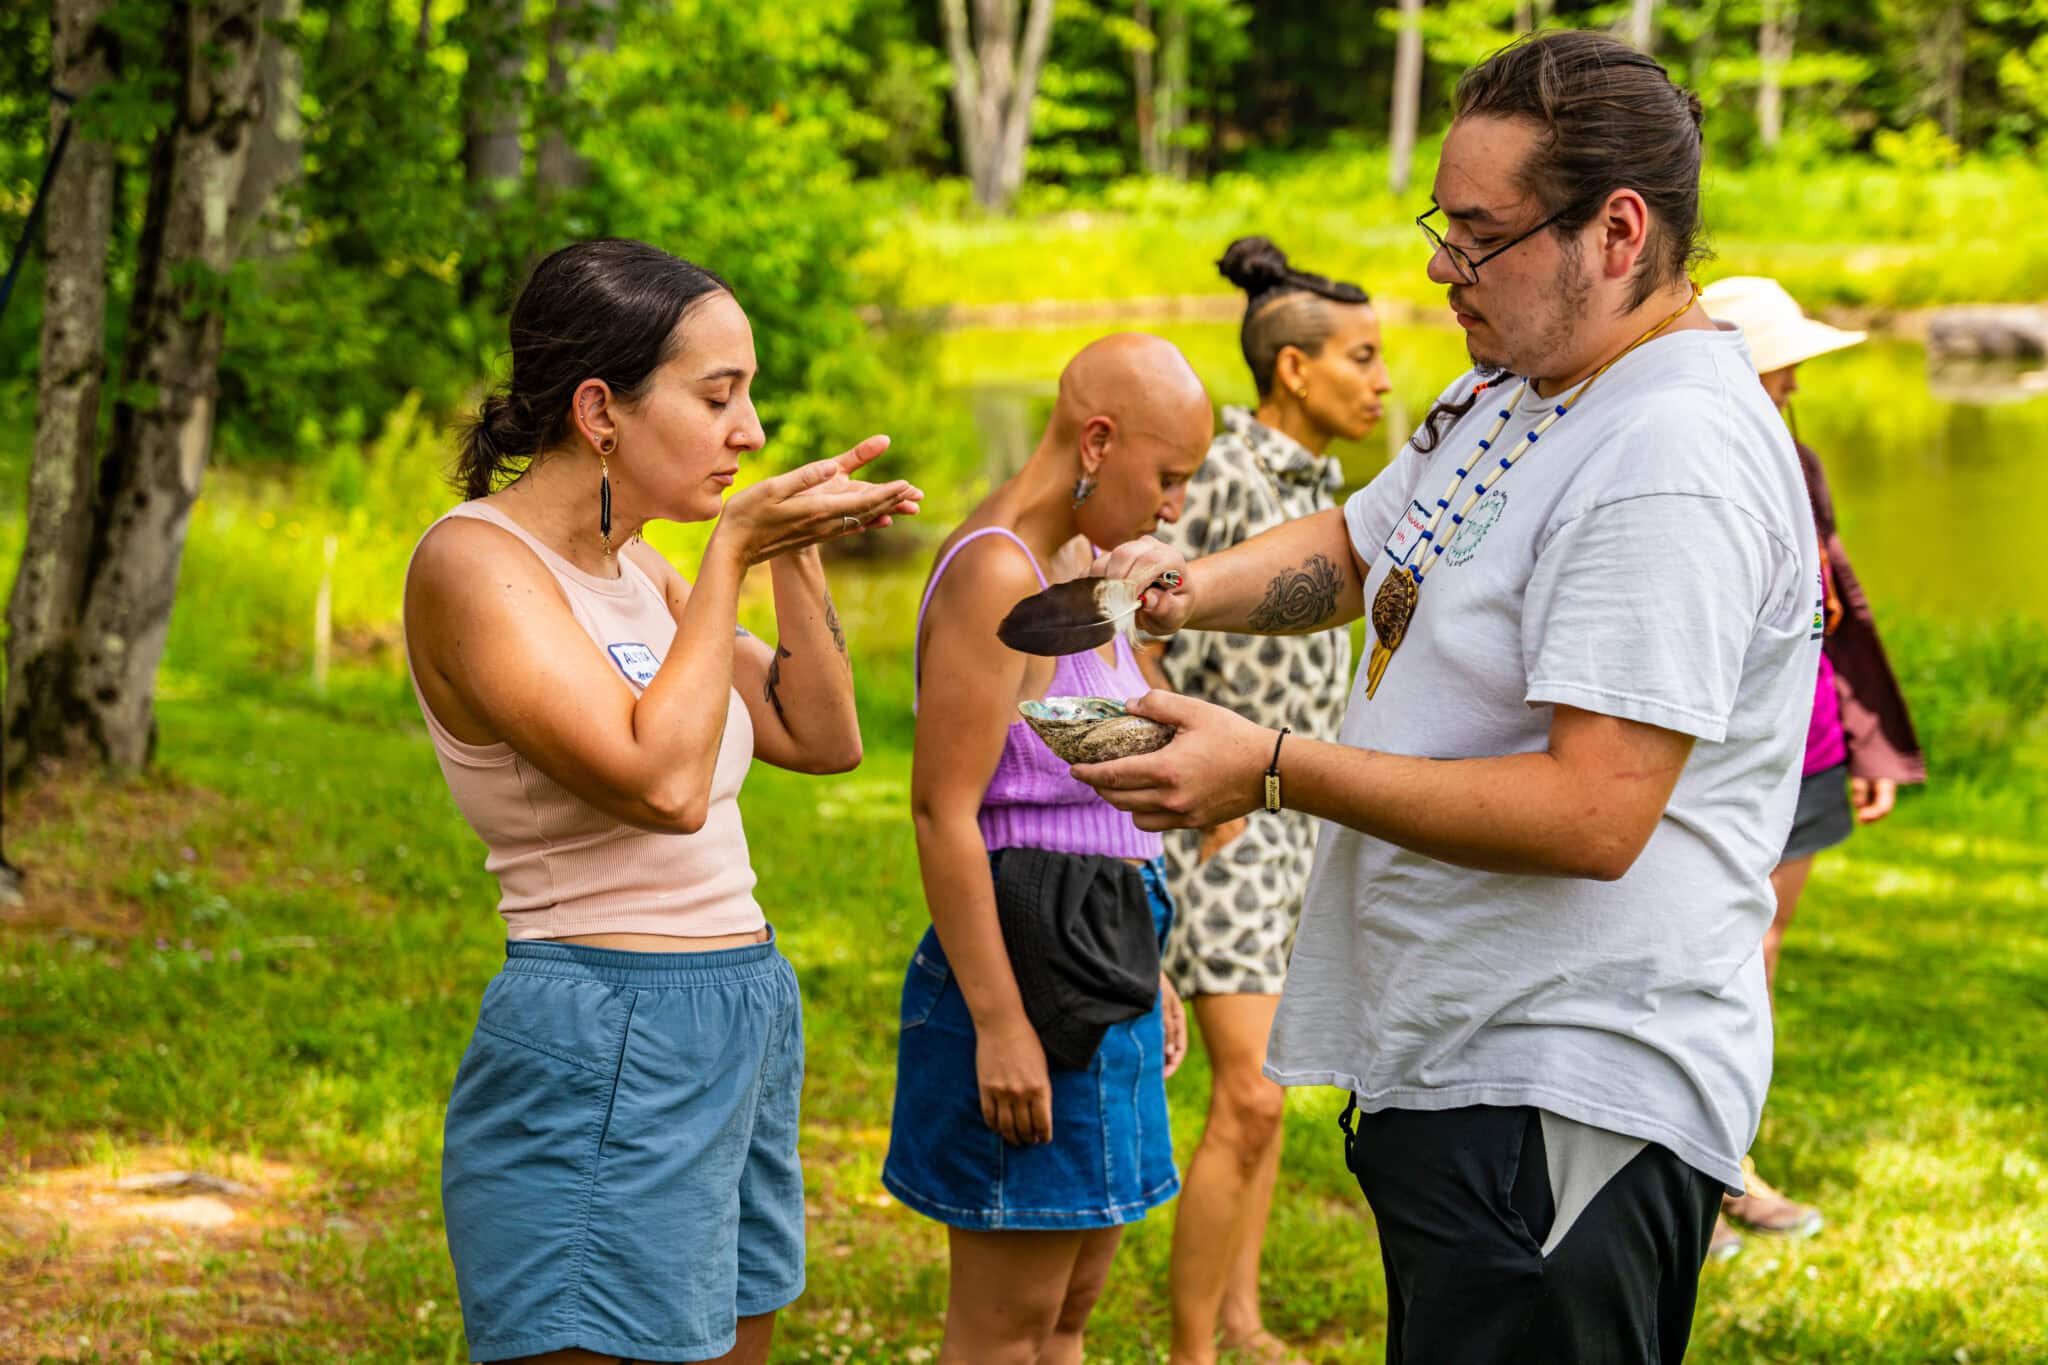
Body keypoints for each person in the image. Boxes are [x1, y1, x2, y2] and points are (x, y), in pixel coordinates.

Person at [1072, 32, 1822, 1363]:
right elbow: (1362, 551)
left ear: (1617, 232)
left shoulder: (1670, 452)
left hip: (1570, 1086)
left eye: (1476, 236)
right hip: (1464, 1066)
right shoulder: (1514, 390)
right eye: (1442, 224)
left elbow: (1595, 813)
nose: (1438, 266)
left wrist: (1275, 765)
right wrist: (1186, 581)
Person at [403, 238, 920, 1365]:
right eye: (718, 395)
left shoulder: (640, 570)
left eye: (750, 396)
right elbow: (665, 785)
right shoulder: (477, 566)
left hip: (739, 1010)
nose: (752, 430)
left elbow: (821, 735)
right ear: (601, 411)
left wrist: (796, 550)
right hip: (602, 1024)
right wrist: (734, 547)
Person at [882, 334, 1212, 1365]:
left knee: (1068, 1311)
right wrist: (998, 1028)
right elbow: (944, 811)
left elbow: (1094, 807)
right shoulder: (994, 575)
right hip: (1024, 982)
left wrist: (1144, 968)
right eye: (1168, 479)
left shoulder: (1075, 568)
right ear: (1097, 441)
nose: (1173, 509)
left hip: (1097, 967)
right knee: (1005, 1330)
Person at [1151, 236, 1391, 1365]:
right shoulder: (1219, 478)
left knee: (1270, 1096)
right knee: (1245, 1096)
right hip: (1221, 832)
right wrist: (1181, 783)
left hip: (1305, 826)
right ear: (1293, 370)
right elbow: (1121, 614)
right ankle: (1190, 1350)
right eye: (1362, 357)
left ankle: (1241, 1319)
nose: (1382, 381)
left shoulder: (1329, 487)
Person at [1700, 275, 1927, 1257]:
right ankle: (1694, 1171)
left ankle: (1726, 1162)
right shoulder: (1693, 471)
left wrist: (1866, 737)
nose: (1789, 390)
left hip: (1813, 750)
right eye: (1775, 372)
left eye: (1789, 374)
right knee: (1713, 958)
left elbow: (1840, 602)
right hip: (1721, 761)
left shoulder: (1799, 463)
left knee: (1760, 955)